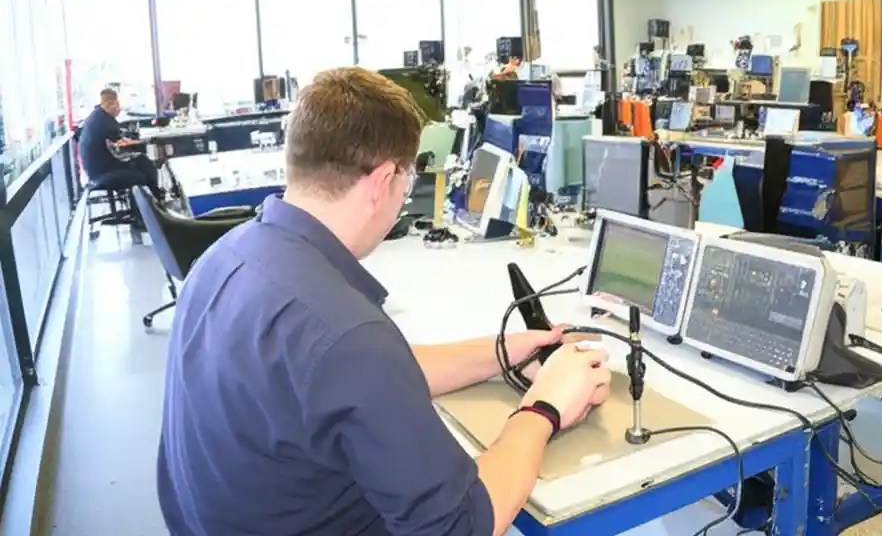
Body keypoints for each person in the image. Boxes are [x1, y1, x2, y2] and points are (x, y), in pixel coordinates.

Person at [158, 67, 611, 536]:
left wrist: (503, 352)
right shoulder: (345, 333)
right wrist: (544, 408)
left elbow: (354, 380)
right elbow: (462, 526)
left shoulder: (227, 256)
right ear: (383, 181)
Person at [77, 87, 163, 200]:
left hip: (95, 169)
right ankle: (155, 201)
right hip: (102, 172)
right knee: (142, 170)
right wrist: (141, 142)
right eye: (117, 105)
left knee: (141, 161)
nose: (119, 108)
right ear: (110, 104)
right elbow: (121, 145)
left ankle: (155, 196)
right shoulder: (105, 121)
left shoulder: (97, 116)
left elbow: (117, 143)